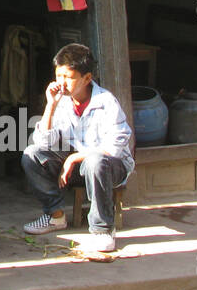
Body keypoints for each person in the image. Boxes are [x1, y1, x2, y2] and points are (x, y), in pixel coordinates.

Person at [21, 43, 134, 253]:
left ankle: (102, 230)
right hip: (80, 167)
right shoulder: (62, 102)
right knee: (32, 155)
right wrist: (51, 106)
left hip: (110, 167)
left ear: (87, 78)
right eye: (58, 76)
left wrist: (74, 159)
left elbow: (114, 148)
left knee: (95, 161)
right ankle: (55, 216)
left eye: (68, 77)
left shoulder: (106, 102)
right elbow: (43, 142)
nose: (61, 83)